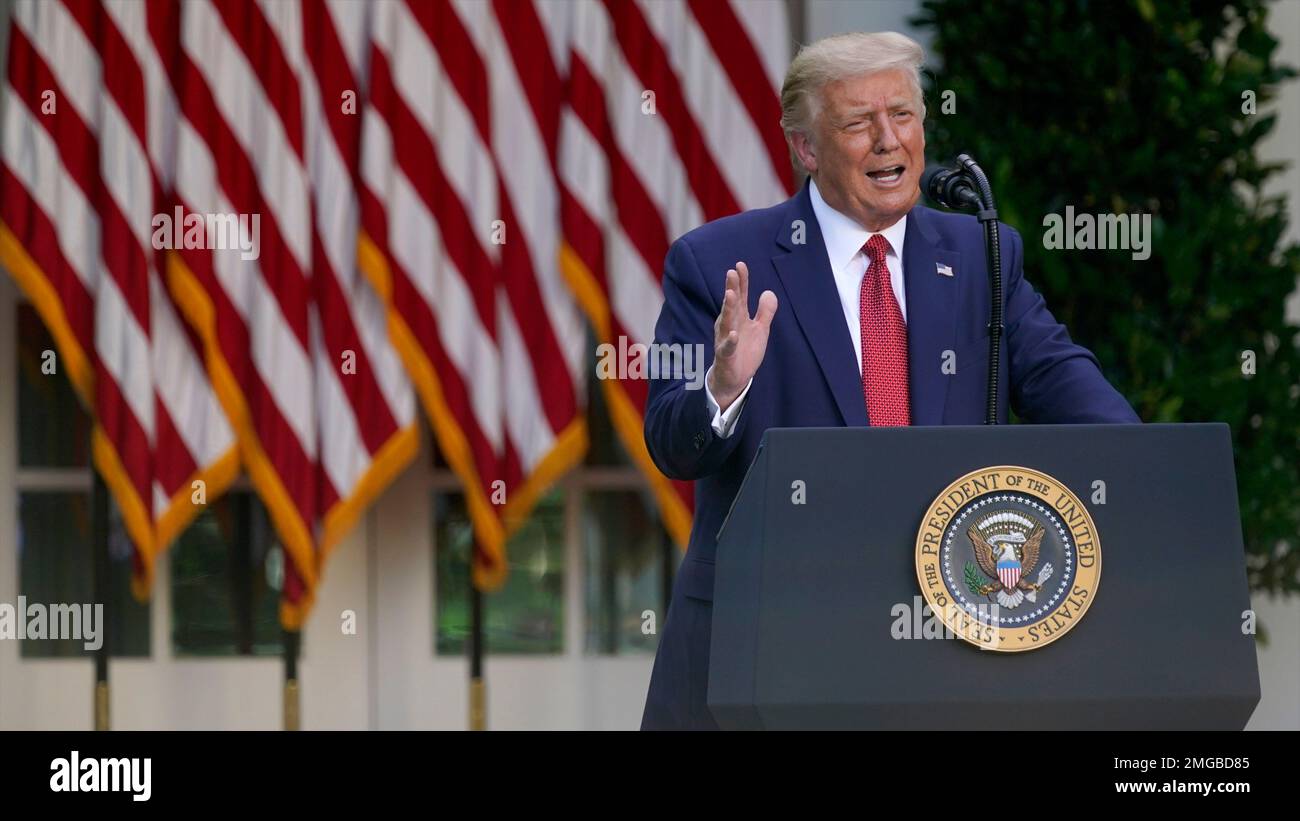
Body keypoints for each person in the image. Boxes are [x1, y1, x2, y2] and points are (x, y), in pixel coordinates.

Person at [640, 31, 1140, 730]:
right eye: (857, 123)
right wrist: (722, 386)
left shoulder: (981, 256)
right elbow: (673, 444)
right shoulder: (720, 261)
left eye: (902, 116)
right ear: (806, 149)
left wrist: (1145, 469)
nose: (888, 141)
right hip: (765, 657)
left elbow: (1069, 385)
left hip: (942, 651)